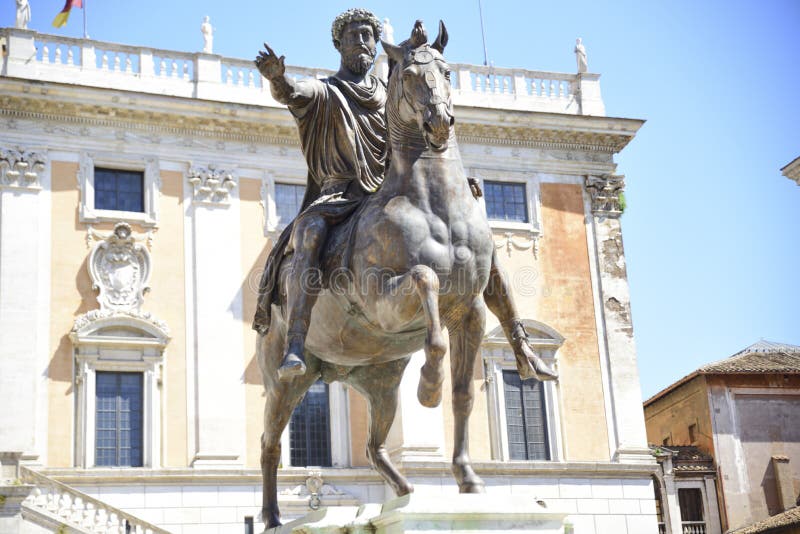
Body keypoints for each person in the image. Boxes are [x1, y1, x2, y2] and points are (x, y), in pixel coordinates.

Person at [253, 9, 556, 383]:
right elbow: (293, 94)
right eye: (353, 35)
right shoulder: (326, 90)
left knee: (479, 243)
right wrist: (278, 78)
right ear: (338, 44)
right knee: (309, 233)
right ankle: (297, 341)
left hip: (391, 191)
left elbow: (420, 135)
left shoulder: (391, 92)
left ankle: (520, 343)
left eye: (368, 35)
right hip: (339, 194)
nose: (362, 41)